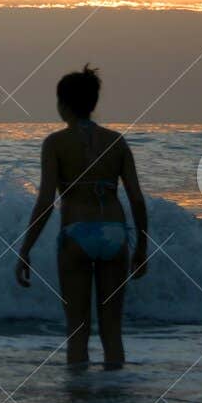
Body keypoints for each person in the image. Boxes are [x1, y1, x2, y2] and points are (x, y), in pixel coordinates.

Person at [15, 65, 149, 367]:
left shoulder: (55, 144)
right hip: (114, 233)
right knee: (112, 332)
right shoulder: (116, 141)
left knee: (78, 332)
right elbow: (137, 199)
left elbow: (46, 201)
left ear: (63, 105)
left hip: (76, 233)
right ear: (93, 103)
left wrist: (25, 249)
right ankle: (114, 402)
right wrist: (142, 247)